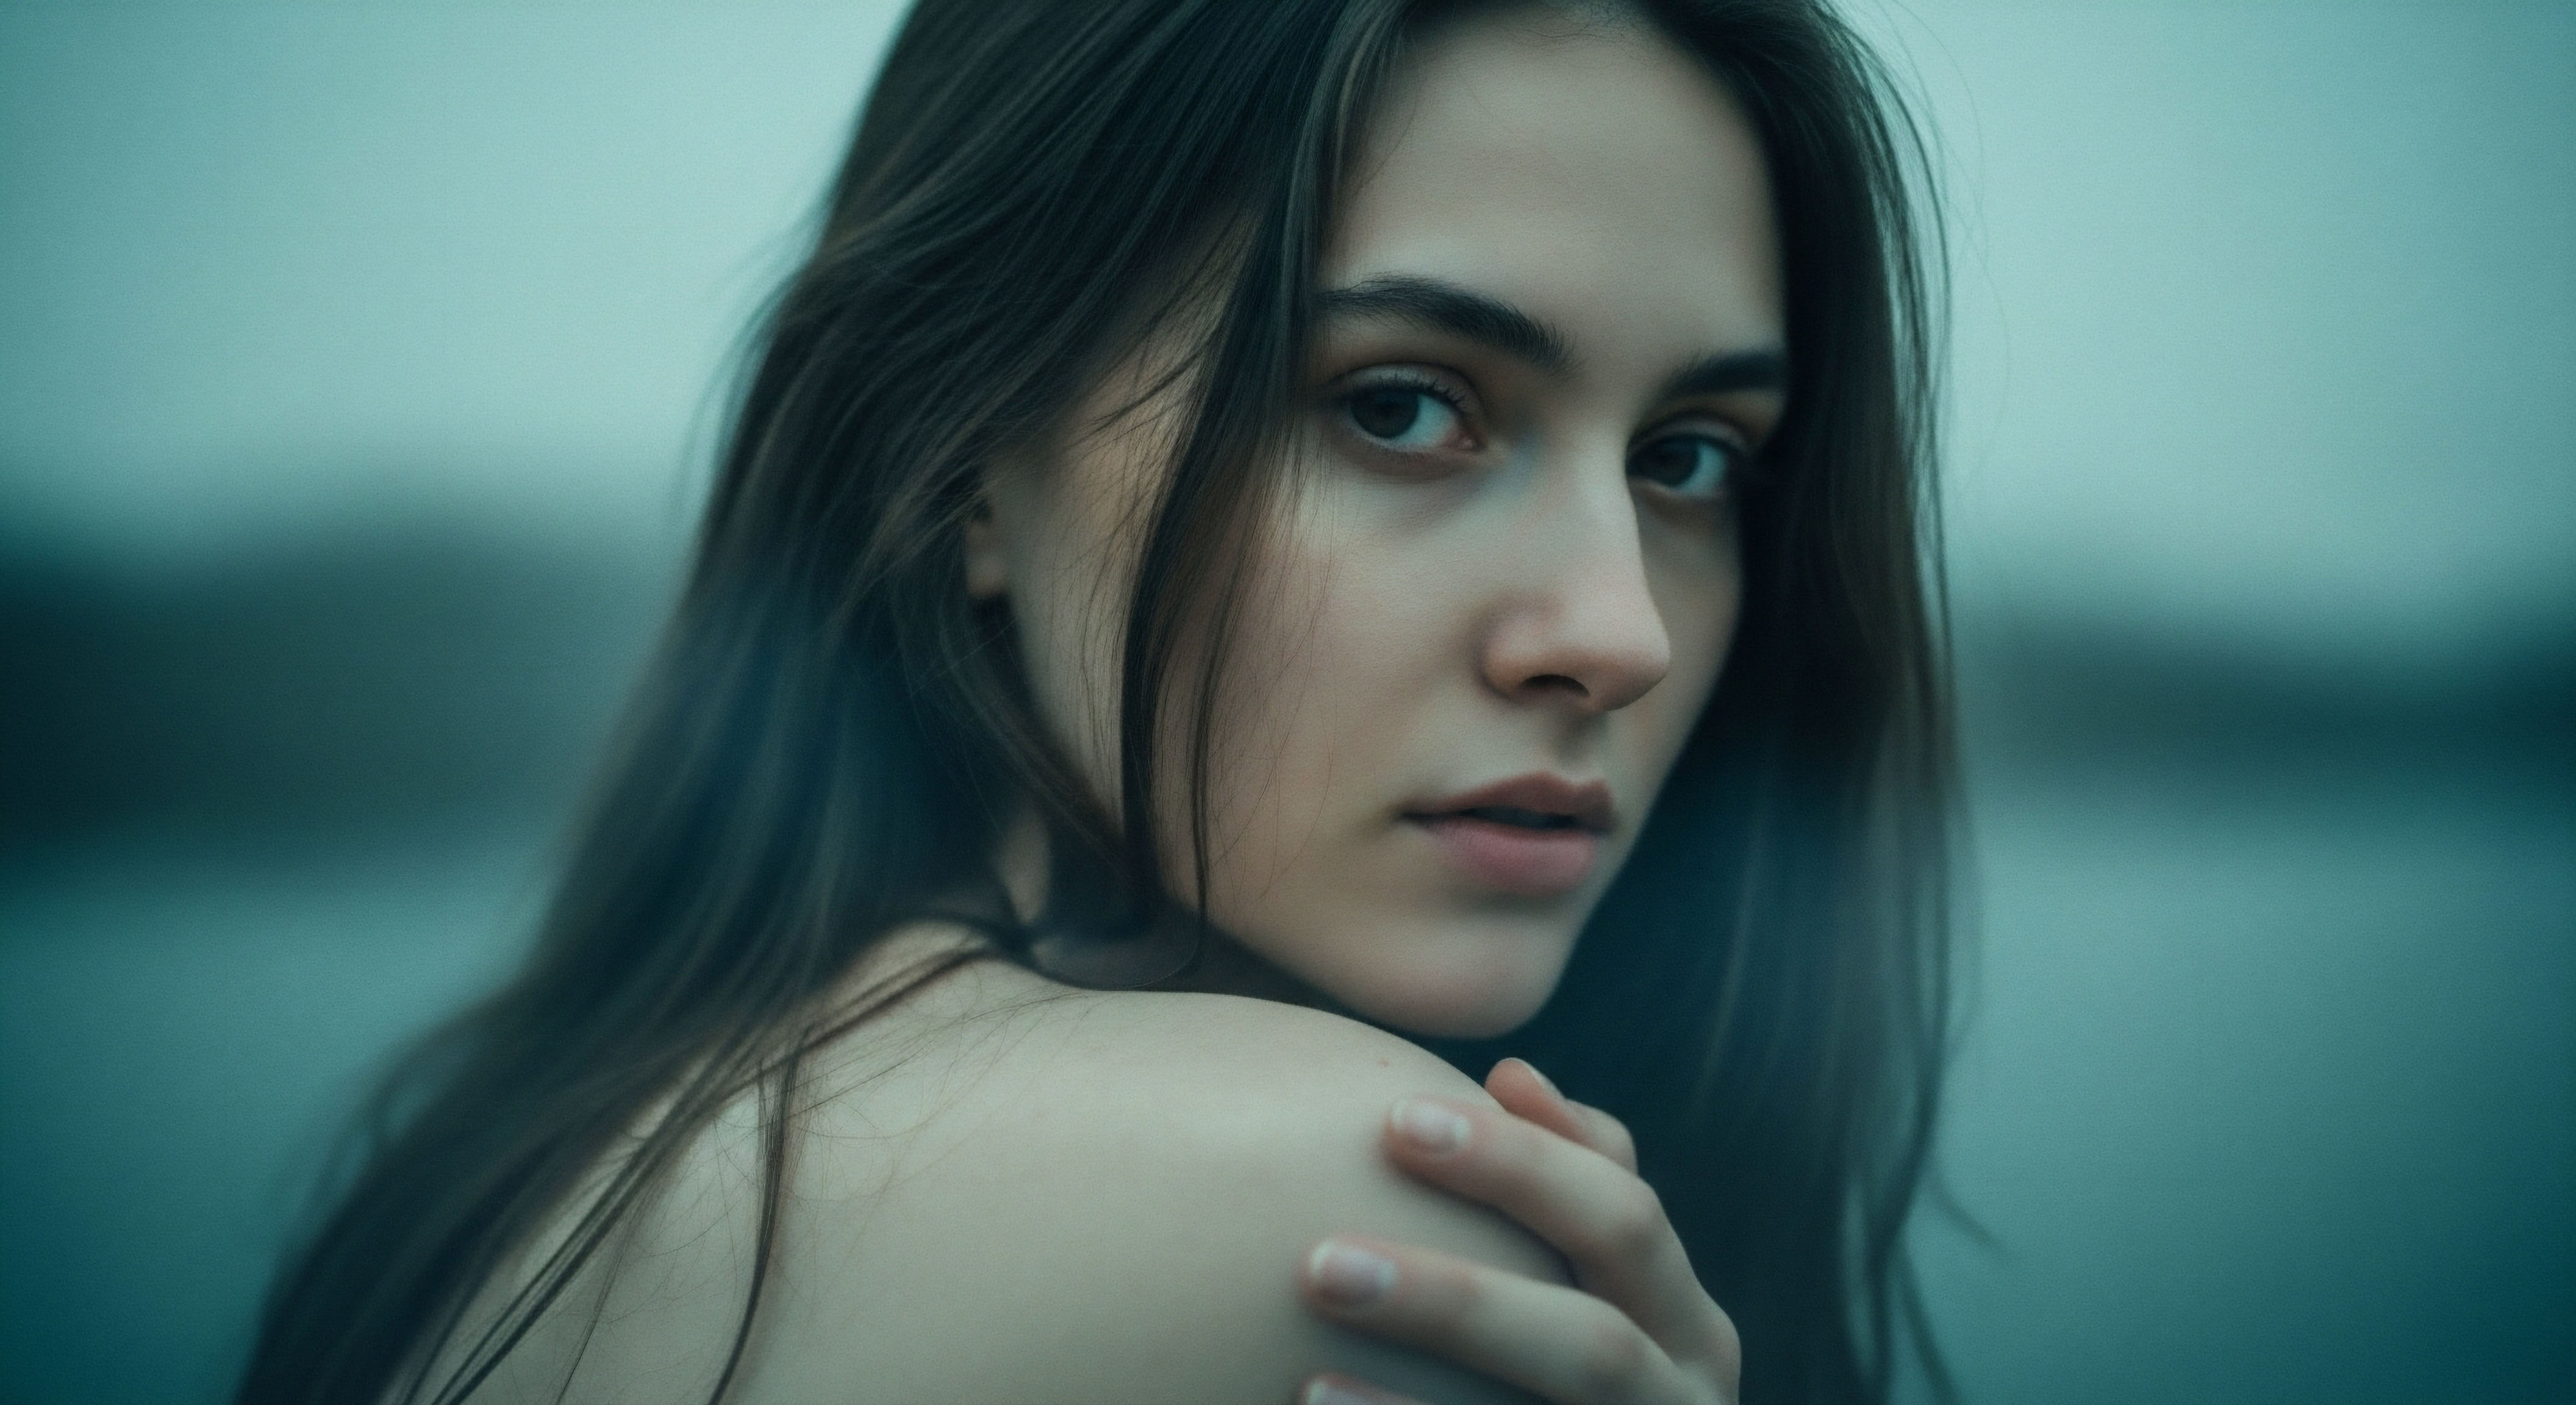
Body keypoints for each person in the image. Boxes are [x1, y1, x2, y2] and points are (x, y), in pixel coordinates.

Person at [237, 0, 1952, 1401]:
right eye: (1406, 408)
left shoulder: (596, 1131)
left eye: (1690, 457)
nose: (1617, 628)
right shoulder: (1368, 1220)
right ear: (970, 463)